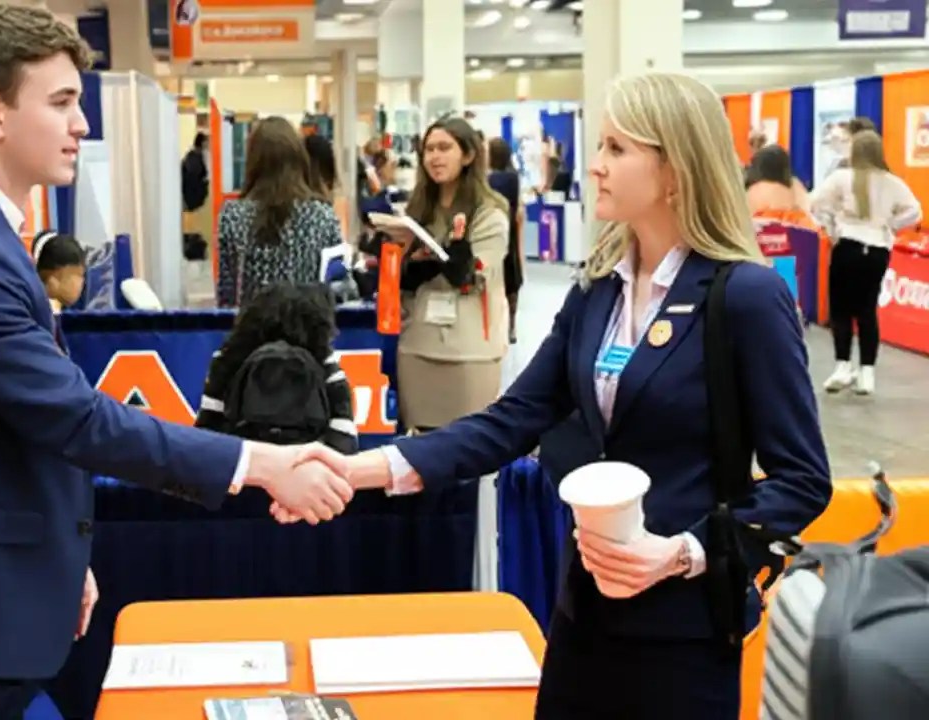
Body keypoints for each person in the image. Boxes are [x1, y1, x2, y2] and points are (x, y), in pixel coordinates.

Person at [0, 7, 352, 719]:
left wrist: (54, 555)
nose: (82, 123)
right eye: (59, 103)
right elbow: (74, 417)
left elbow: (11, 422)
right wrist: (263, 464)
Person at [293, 73, 833, 719]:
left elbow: (802, 480)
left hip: (683, 632)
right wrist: (366, 468)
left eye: (616, 148)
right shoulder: (599, 288)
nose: (595, 167)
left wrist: (680, 553)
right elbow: (514, 418)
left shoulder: (745, 296)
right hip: (582, 618)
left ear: (675, 170)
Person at [393, 117, 510, 432]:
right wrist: (407, 266)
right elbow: (401, 281)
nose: (434, 157)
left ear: (468, 155)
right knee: (418, 452)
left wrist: (459, 261)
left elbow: (475, 276)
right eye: (429, 149)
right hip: (418, 347)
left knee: (465, 451)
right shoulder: (417, 210)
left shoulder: (490, 212)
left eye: (444, 148)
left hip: (469, 352)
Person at [811, 129, 922, 395]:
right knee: (867, 309)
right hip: (877, 250)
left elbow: (815, 204)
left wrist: (832, 226)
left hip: (847, 245)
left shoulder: (841, 178)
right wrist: (889, 227)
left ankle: (842, 366)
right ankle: (867, 373)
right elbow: (914, 212)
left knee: (841, 309)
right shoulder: (893, 183)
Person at [196, 283, 358, 455]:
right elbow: (344, 436)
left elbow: (207, 432)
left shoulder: (228, 359)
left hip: (246, 470)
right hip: (310, 470)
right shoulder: (324, 360)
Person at [216, 116, 344, 307]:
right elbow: (337, 289)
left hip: (253, 330)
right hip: (307, 330)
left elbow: (227, 294)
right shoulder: (323, 216)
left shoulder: (232, 217)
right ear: (299, 157)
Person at [488, 137, 524, 344]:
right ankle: (511, 325)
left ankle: (499, 324)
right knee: (512, 278)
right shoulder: (513, 177)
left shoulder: (492, 179)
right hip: (509, 230)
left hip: (496, 230)